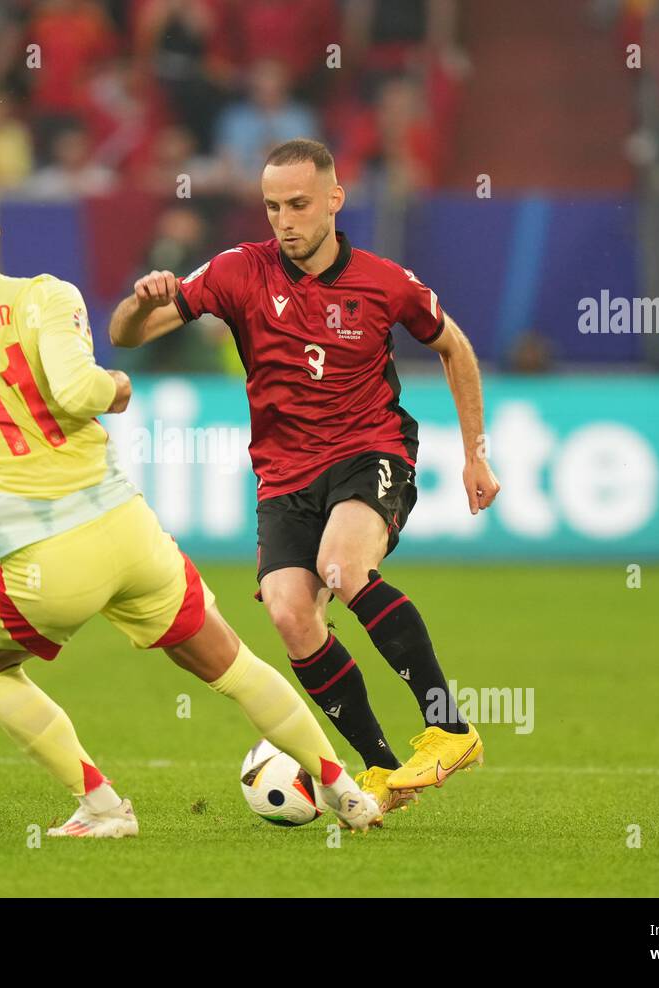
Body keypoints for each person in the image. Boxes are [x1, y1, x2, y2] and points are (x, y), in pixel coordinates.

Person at [0, 178, 381, 838]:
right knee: (233, 664)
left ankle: (104, 806)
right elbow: (79, 389)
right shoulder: (45, 295)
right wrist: (117, 385)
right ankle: (345, 791)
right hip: (129, 531)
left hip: (46, 560)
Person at [108, 138, 500, 813]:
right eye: (271, 207)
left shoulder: (386, 283)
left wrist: (475, 451)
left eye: (297, 204)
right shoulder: (236, 271)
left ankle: (449, 726)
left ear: (333, 201)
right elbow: (125, 336)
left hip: (368, 448)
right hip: (285, 474)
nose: (284, 221)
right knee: (291, 613)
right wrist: (143, 301)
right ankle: (379, 768)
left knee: (343, 568)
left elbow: (454, 346)